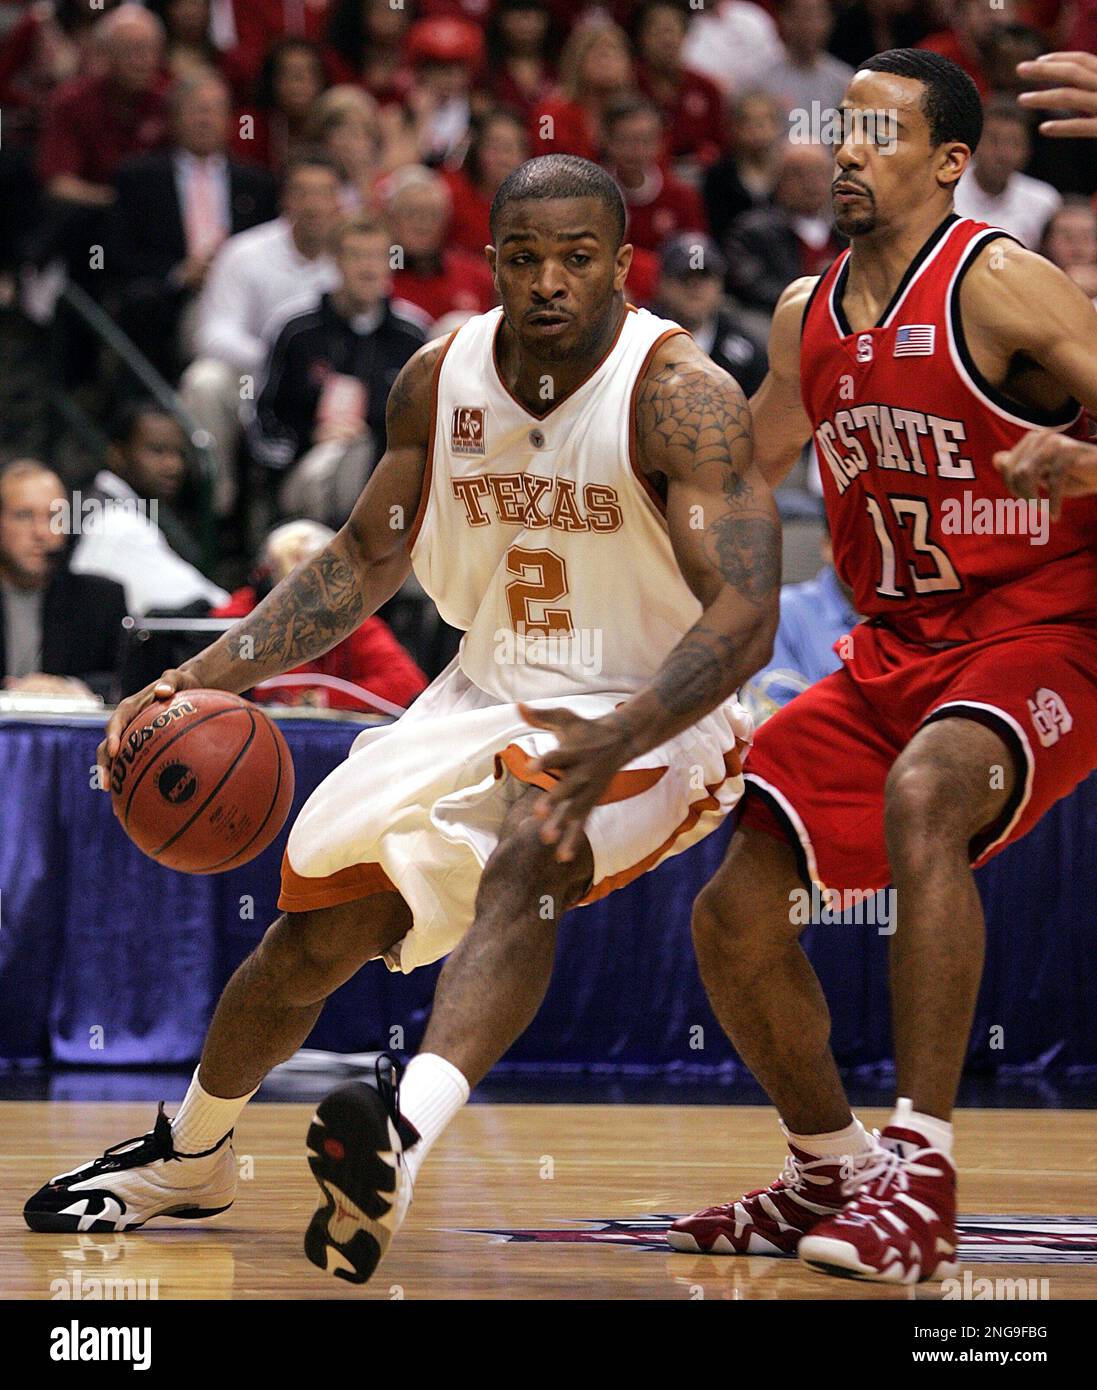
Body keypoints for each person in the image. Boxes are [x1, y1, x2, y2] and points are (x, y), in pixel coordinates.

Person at [23, 155, 779, 1292]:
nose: (547, 283)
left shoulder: (678, 396)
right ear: (491, 262)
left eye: (577, 259)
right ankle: (192, 1149)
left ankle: (401, 1137)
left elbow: (748, 613)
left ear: (621, 265)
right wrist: (209, 674)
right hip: (483, 689)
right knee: (313, 931)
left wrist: (617, 738)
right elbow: (361, 560)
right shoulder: (438, 379)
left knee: (537, 839)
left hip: (660, 701)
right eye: (522, 258)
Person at [655, 48, 1097, 1284]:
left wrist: (1083, 468)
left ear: (950, 163)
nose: (843, 149)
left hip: (1041, 633)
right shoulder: (807, 314)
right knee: (733, 907)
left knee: (926, 792)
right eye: (837, 126)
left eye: (878, 132)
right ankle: (829, 1167)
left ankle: (921, 1166)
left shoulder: (1000, 284)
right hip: (893, 649)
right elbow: (732, 473)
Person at [178, 153, 342, 514]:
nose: (313, 205)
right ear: (285, 200)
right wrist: (278, 358)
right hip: (255, 381)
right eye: (303, 193)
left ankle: (330, 519)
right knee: (205, 381)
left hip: (323, 385)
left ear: (339, 201)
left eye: (323, 194)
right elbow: (213, 334)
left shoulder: (350, 257)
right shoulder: (244, 253)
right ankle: (216, 505)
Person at [248, 216, 427, 524]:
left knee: (362, 452)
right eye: (356, 256)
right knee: (338, 459)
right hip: (305, 472)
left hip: (385, 481)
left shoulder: (412, 335)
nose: (368, 268)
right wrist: (309, 439)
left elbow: (425, 426)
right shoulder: (296, 330)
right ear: (335, 261)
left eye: (377, 257)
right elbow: (263, 417)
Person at [110, 71, 279, 382]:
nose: (205, 119)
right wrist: (180, 273)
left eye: (215, 110)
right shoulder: (139, 178)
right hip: (169, 297)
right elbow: (120, 253)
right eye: (196, 109)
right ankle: (153, 405)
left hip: (242, 296)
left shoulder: (258, 183)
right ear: (173, 118)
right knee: (143, 302)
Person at [211, 520, 427, 711]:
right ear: (264, 579)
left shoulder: (353, 619)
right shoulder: (235, 618)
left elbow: (408, 685)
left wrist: (323, 699)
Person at [69, 402, 229, 615]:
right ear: (117, 454)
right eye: (158, 451)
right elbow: (210, 605)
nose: (173, 466)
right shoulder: (114, 522)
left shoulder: (116, 507)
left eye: (179, 453)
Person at [0, 460, 126, 701]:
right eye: (24, 516)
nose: (41, 532)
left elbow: (123, 682)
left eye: (55, 517)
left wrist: (67, 688)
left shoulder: (100, 599)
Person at [723, 141, 844, 314]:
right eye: (799, 174)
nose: (811, 184)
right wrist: (808, 299)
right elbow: (749, 285)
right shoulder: (751, 232)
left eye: (819, 173)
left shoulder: (848, 230)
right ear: (777, 177)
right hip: (777, 319)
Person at [653, 232, 767, 396]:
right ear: (662, 284)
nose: (694, 286)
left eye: (704, 276)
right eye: (684, 276)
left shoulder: (748, 353)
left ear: (720, 284)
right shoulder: (638, 339)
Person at [382, 164, 497, 321]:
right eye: (411, 213)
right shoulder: (378, 279)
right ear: (391, 219)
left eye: (432, 214)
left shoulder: (477, 276)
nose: (422, 223)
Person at [599, 96, 708, 254]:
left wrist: (692, 272)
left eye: (646, 140)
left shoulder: (682, 197)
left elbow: (697, 254)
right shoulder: (595, 196)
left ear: (660, 142)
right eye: (626, 140)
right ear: (607, 141)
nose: (637, 150)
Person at [953, 99, 1061, 250]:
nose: (1003, 154)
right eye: (993, 140)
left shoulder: (1044, 201)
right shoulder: (946, 192)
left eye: (1014, 142)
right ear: (974, 144)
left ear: (1027, 150)